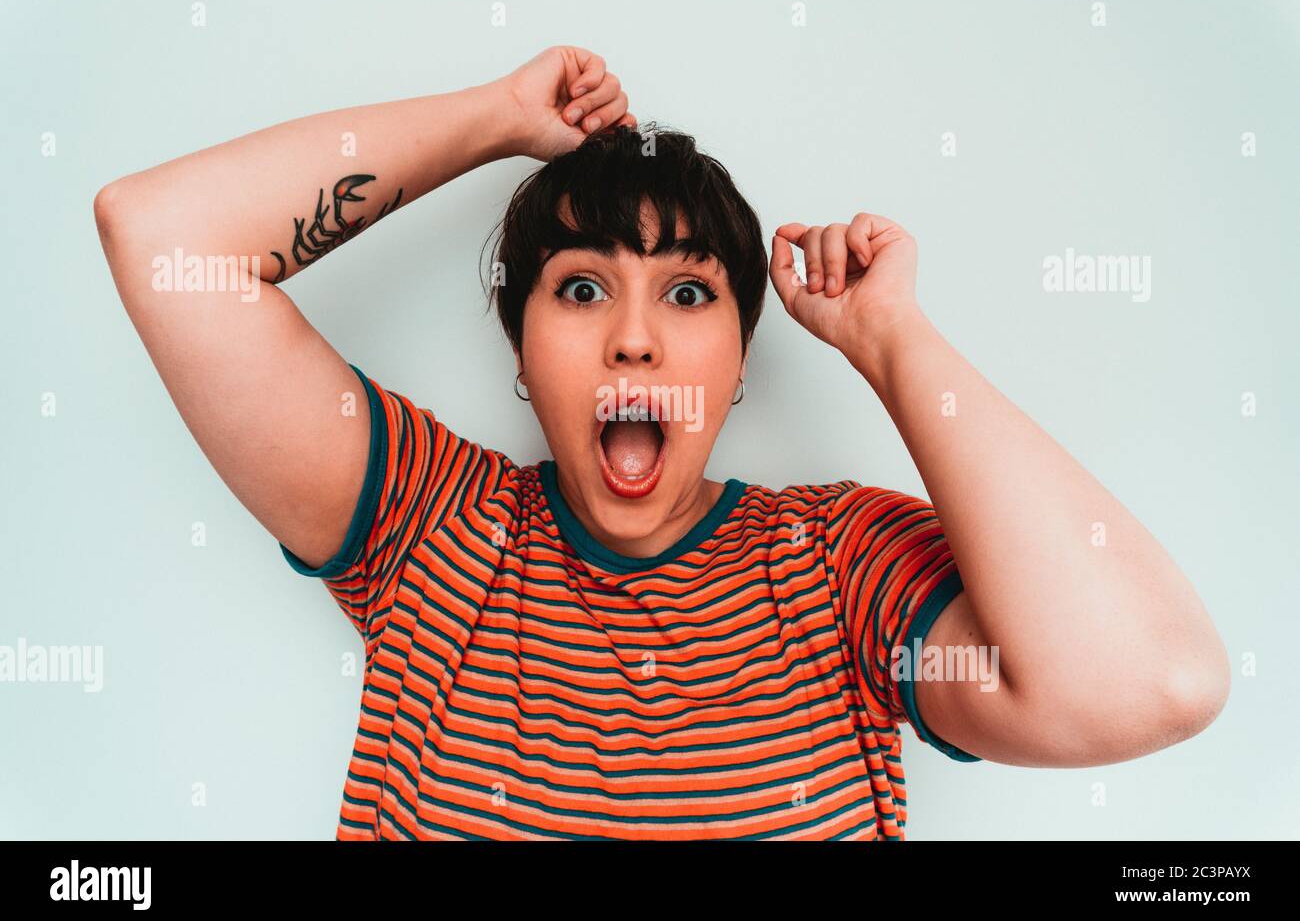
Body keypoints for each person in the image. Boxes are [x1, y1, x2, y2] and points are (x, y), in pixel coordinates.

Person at [94, 45, 1230, 840]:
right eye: (581, 287)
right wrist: (495, 118)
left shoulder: (839, 567)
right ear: (523, 355)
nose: (633, 340)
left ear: (739, 365)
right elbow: (161, 234)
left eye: (688, 296)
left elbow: (1153, 680)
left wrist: (892, 341)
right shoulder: (424, 522)